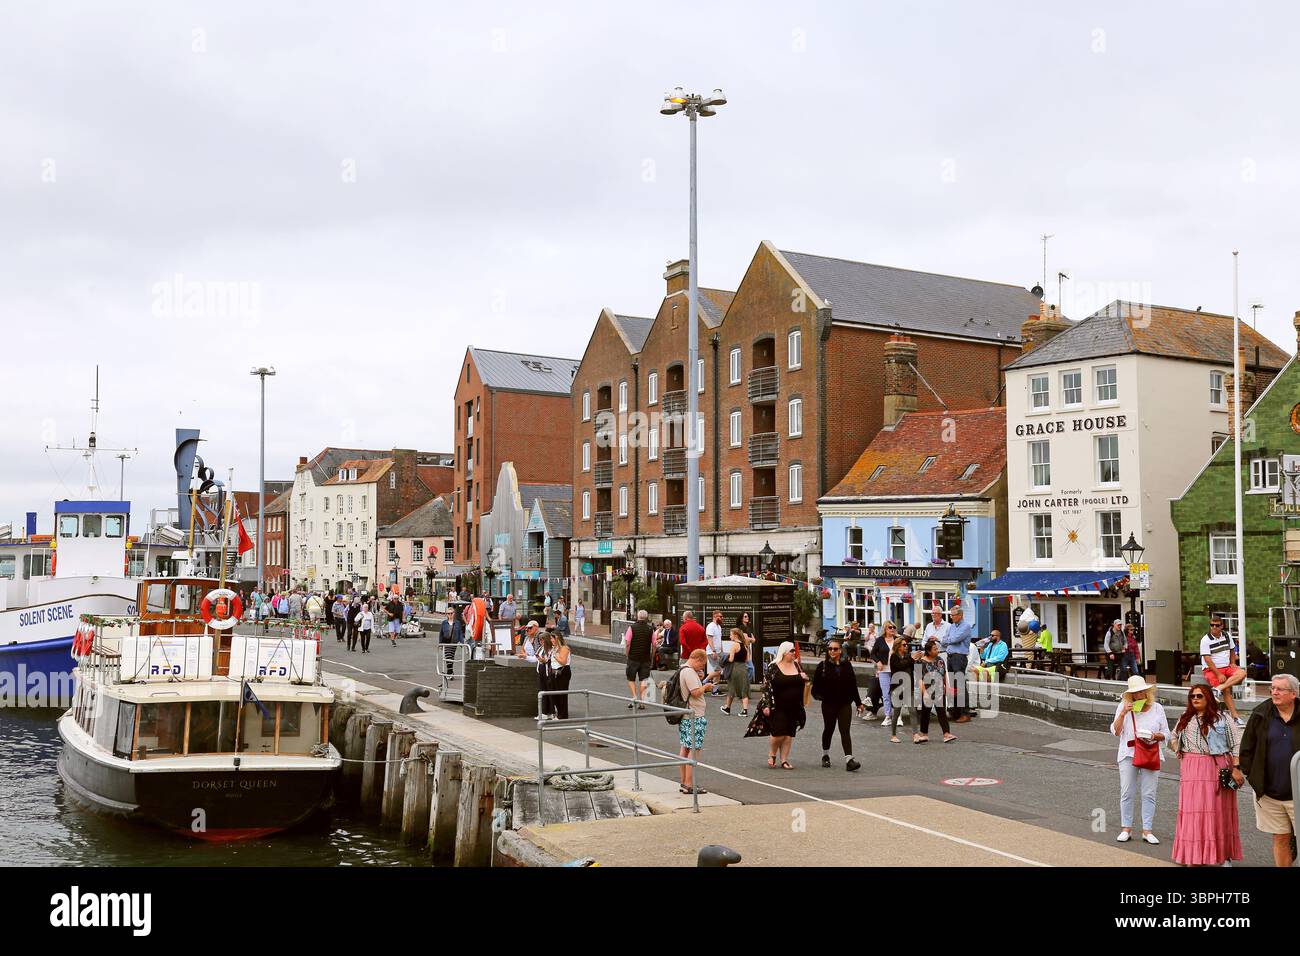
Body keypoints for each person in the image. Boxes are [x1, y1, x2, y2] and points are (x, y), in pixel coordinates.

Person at [1170, 682, 1243, 866]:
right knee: (1192, 813)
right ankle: (1193, 856)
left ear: (1208, 698)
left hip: (1215, 767)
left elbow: (1236, 744)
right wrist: (1180, 750)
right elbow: (1172, 737)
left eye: (1199, 696)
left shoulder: (1223, 719)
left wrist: (1236, 768)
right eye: (1192, 696)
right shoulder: (1185, 718)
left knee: (1217, 812)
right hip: (1191, 769)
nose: (1195, 699)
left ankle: (1223, 855)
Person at [1238, 673, 1299, 867]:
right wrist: (1253, 777)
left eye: (1280, 689)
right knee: (1280, 838)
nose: (1274, 692)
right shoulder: (1260, 714)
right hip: (1270, 794)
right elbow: (1246, 748)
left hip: (1298, 794)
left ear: (1294, 693)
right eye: (1272, 688)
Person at [1111, 675, 1170, 845]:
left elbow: (1166, 733)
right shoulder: (1123, 707)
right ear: (1130, 695)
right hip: (1128, 753)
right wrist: (1123, 713)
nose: (1139, 695)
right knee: (1127, 791)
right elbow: (1115, 731)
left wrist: (1154, 736)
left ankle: (1147, 830)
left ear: (1147, 691)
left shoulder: (1157, 708)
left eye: (1142, 691)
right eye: (1135, 692)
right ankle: (1126, 828)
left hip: (1150, 752)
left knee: (1149, 793)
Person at [811, 638, 864, 772]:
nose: (832, 651)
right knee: (829, 729)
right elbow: (814, 688)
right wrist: (821, 696)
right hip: (829, 704)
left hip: (845, 703)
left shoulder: (847, 665)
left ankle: (849, 760)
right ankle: (825, 755)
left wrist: (859, 703)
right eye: (830, 649)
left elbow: (853, 685)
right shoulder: (822, 666)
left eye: (835, 649)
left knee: (845, 730)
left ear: (840, 650)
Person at [763, 641, 809, 770]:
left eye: (794, 651)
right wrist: (766, 705)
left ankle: (784, 760)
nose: (794, 653)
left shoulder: (797, 666)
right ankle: (772, 754)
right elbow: (766, 687)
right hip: (778, 705)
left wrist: (804, 678)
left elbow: (804, 681)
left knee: (789, 734)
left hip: (795, 705)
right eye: (792, 651)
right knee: (779, 732)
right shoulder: (774, 667)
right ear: (784, 652)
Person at [677, 649, 716, 795]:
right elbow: (695, 692)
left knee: (685, 748)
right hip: (694, 715)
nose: (702, 667)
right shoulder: (689, 672)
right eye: (702, 664)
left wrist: (699, 678)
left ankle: (683, 781)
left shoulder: (683, 669)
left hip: (686, 715)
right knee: (694, 749)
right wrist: (706, 686)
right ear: (697, 659)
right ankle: (688, 784)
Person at [1200, 615, 1247, 726]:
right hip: (1212, 669)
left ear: (1222, 626)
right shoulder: (1205, 640)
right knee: (1227, 691)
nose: (1214, 627)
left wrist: (1233, 663)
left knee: (1242, 672)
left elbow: (1232, 650)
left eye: (1217, 625)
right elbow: (1207, 659)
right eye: (1212, 625)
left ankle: (1217, 689)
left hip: (1227, 666)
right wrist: (1218, 673)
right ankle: (1235, 717)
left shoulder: (1227, 635)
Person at [916, 638, 957, 744]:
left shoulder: (940, 660)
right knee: (925, 713)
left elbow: (944, 674)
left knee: (941, 712)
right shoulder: (920, 662)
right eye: (934, 649)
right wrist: (924, 692)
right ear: (928, 651)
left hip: (939, 690)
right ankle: (924, 734)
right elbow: (919, 679)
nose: (937, 651)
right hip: (928, 690)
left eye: (937, 648)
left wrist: (947, 686)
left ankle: (946, 734)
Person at [941, 606, 974, 722]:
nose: (951, 617)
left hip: (959, 657)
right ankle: (955, 712)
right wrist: (948, 639)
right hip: (950, 657)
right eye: (951, 615)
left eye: (953, 615)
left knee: (960, 684)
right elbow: (944, 640)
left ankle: (965, 713)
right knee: (953, 686)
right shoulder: (951, 626)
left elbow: (954, 639)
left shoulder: (966, 626)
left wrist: (948, 639)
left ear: (960, 615)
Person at [888, 634, 920, 743]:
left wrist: (917, 660)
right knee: (896, 712)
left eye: (906, 645)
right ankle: (893, 735)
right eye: (904, 645)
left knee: (913, 711)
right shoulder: (894, 657)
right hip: (897, 688)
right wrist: (912, 659)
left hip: (908, 687)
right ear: (898, 646)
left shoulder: (908, 656)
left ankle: (915, 734)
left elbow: (913, 669)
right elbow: (900, 666)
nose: (906, 646)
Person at [624, 609, 657, 709]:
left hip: (633, 658)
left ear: (637, 616)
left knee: (631, 678)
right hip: (645, 658)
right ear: (646, 617)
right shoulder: (650, 629)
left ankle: (634, 697)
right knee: (643, 679)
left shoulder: (631, 628)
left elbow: (628, 643)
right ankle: (642, 701)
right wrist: (652, 655)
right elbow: (654, 644)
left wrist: (627, 654)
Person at [870, 621, 898, 726]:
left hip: (896, 670)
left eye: (894, 627)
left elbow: (904, 651)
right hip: (884, 670)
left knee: (895, 694)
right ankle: (888, 716)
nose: (892, 629)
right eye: (890, 627)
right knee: (886, 694)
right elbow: (872, 654)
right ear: (885, 629)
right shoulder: (880, 640)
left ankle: (898, 716)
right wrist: (878, 662)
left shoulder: (898, 640)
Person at [720, 627, 752, 717]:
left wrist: (725, 657)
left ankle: (728, 708)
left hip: (734, 668)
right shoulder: (745, 646)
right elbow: (747, 659)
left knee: (731, 688)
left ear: (735, 635)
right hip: (743, 668)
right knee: (744, 689)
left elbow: (731, 659)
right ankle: (745, 710)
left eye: (730, 634)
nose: (730, 636)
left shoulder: (734, 645)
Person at [549, 632, 572, 720]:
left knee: (561, 694)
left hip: (562, 672)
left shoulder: (564, 648)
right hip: (554, 672)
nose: (551, 641)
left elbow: (563, 662)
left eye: (552, 638)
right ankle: (559, 713)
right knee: (554, 694)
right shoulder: (554, 648)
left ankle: (563, 715)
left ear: (557, 638)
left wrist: (555, 656)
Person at [533, 631, 554, 722]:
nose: (541, 642)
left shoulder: (550, 649)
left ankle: (547, 712)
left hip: (547, 673)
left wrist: (544, 661)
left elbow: (549, 660)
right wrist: (525, 657)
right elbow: (535, 659)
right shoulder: (541, 648)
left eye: (542, 640)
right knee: (543, 691)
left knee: (546, 692)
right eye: (540, 640)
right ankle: (546, 712)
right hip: (541, 671)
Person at [705, 611, 726, 695]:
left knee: (718, 671)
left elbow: (719, 640)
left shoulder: (719, 626)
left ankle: (714, 690)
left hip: (718, 652)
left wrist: (722, 650)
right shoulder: (711, 626)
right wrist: (713, 651)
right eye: (720, 616)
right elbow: (709, 639)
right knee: (717, 671)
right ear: (714, 616)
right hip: (712, 652)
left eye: (722, 616)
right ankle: (704, 682)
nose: (722, 618)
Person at [738, 611, 757, 684]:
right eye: (745, 616)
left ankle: (744, 686)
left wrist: (751, 639)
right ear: (741, 618)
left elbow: (753, 640)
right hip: (743, 649)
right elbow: (746, 640)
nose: (747, 618)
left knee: (748, 668)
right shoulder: (741, 627)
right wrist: (751, 639)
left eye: (748, 616)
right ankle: (744, 685)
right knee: (750, 668)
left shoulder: (747, 627)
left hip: (747, 649)